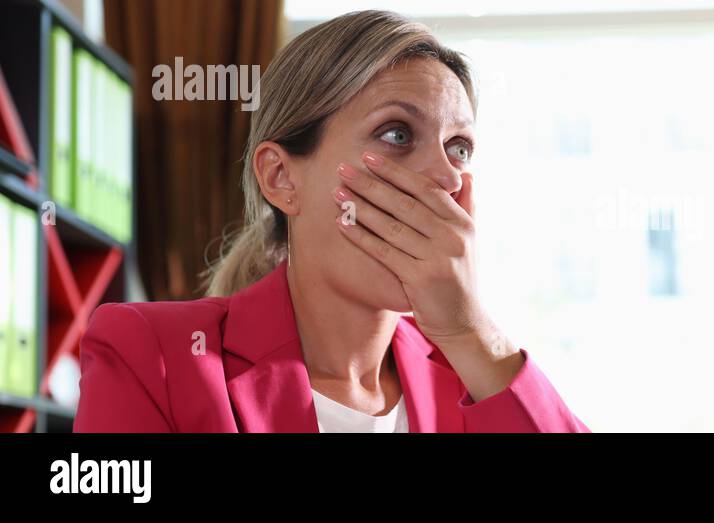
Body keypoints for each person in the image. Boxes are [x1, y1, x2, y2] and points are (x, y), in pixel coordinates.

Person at [74, 10, 589, 433]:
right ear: (281, 178)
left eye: (459, 147)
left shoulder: (477, 380)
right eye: (396, 134)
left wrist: (467, 331)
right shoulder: (154, 357)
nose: (448, 178)